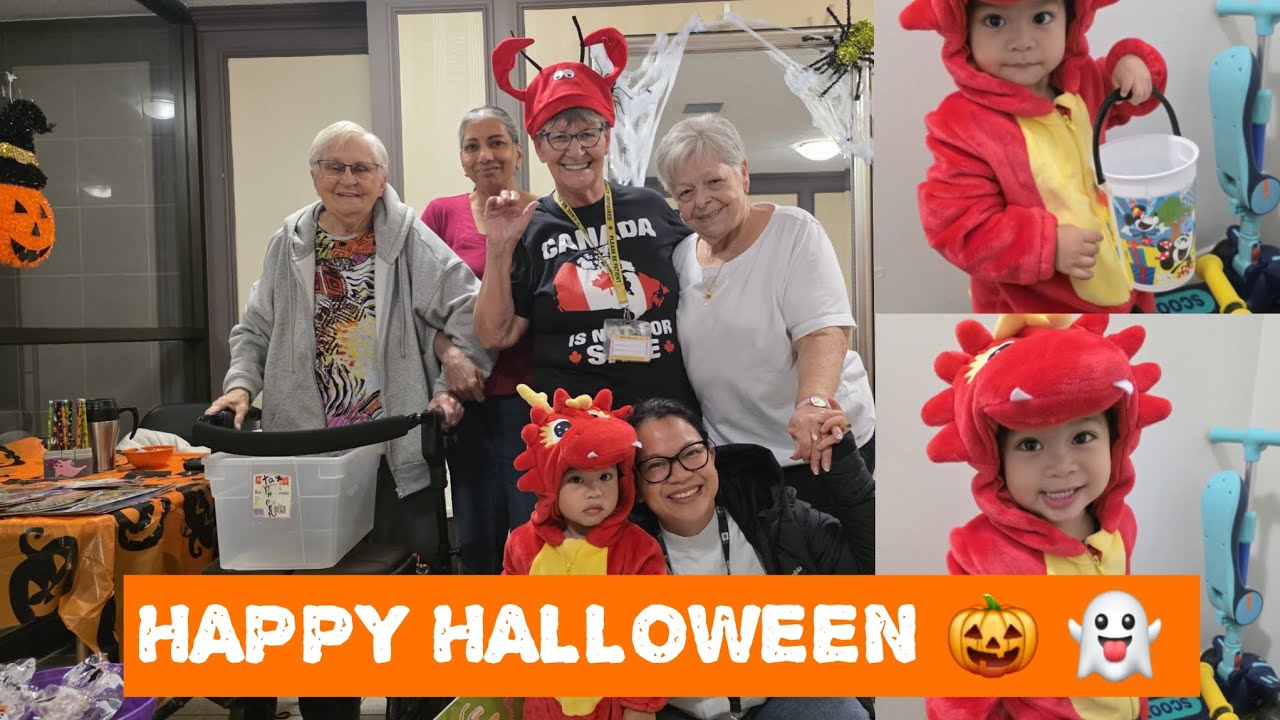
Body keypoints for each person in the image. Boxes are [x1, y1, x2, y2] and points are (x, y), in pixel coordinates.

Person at [205, 120, 489, 720]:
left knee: (396, 601)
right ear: (314, 176)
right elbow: (254, 329)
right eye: (334, 167)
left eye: (362, 168)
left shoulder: (410, 239)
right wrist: (238, 387)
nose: (349, 179)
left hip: (390, 452)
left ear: (383, 177)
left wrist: (447, 386)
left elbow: (468, 308)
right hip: (303, 453)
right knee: (314, 601)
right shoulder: (290, 243)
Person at [920, 314, 1171, 719]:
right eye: (1031, 444)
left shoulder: (1121, 527)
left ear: (1116, 439)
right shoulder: (984, 557)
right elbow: (960, 682)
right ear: (995, 457)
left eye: (1082, 437)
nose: (1060, 466)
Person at [652, 114, 875, 570]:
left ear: (744, 173)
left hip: (817, 448)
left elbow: (824, 331)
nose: (702, 201)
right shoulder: (680, 258)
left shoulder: (793, 233)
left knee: (848, 578)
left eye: (714, 180)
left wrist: (812, 401)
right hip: (742, 462)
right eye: (686, 192)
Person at [477, 26, 697, 409]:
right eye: (558, 137)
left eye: (587, 133)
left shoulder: (650, 206)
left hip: (664, 419)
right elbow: (496, 335)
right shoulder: (532, 226)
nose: (575, 150)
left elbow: (707, 273)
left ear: (607, 138)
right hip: (577, 429)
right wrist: (498, 248)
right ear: (539, 147)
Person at [901, 0, 1168, 312]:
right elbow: (957, 227)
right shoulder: (962, 125)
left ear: (1070, 21)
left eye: (1041, 18)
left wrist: (1131, 65)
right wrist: (1046, 245)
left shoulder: (1082, 85)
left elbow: (1123, 94)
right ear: (964, 32)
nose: (1022, 42)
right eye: (995, 21)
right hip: (1040, 310)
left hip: (1125, 271)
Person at [628, 398, 872, 720]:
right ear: (637, 482)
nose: (680, 475)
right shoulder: (622, 551)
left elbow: (871, 569)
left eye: (691, 453)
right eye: (656, 465)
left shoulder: (773, 516)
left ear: (711, 455)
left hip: (778, 701)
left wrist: (843, 462)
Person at [423, 105, 540, 574]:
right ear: (461, 158)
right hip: (465, 400)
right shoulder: (440, 215)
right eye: (472, 145)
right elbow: (419, 306)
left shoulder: (546, 215)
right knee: (474, 532)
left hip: (533, 402)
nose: (485, 155)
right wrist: (449, 354)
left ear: (517, 151)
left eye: (496, 142)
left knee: (533, 529)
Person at [502, 384, 665, 720]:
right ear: (550, 482)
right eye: (576, 479)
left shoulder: (639, 551)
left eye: (605, 476)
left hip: (612, 707)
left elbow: (652, 635)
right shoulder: (521, 544)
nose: (594, 492)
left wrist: (641, 706)